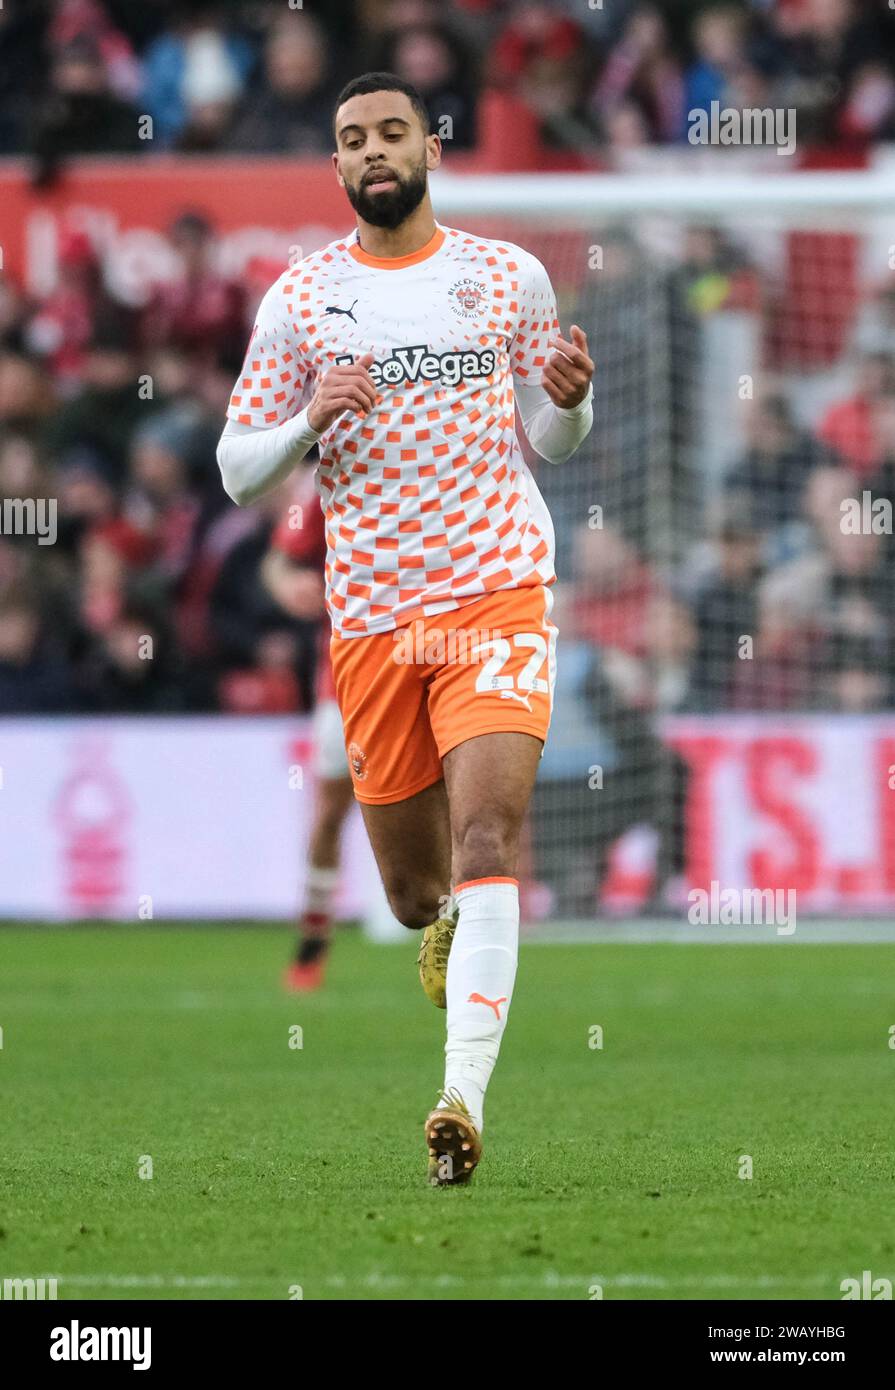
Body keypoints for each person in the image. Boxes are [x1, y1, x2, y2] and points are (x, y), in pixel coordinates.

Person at [216, 72, 594, 1186]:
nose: (374, 151)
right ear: (335, 169)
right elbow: (238, 473)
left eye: (391, 132)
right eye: (351, 141)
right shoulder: (299, 300)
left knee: (489, 843)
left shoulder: (502, 276)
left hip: (497, 589)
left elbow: (552, 436)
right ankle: (445, 930)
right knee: (416, 892)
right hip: (377, 621)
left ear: (428, 145)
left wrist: (567, 398)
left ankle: (459, 1101)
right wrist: (305, 419)